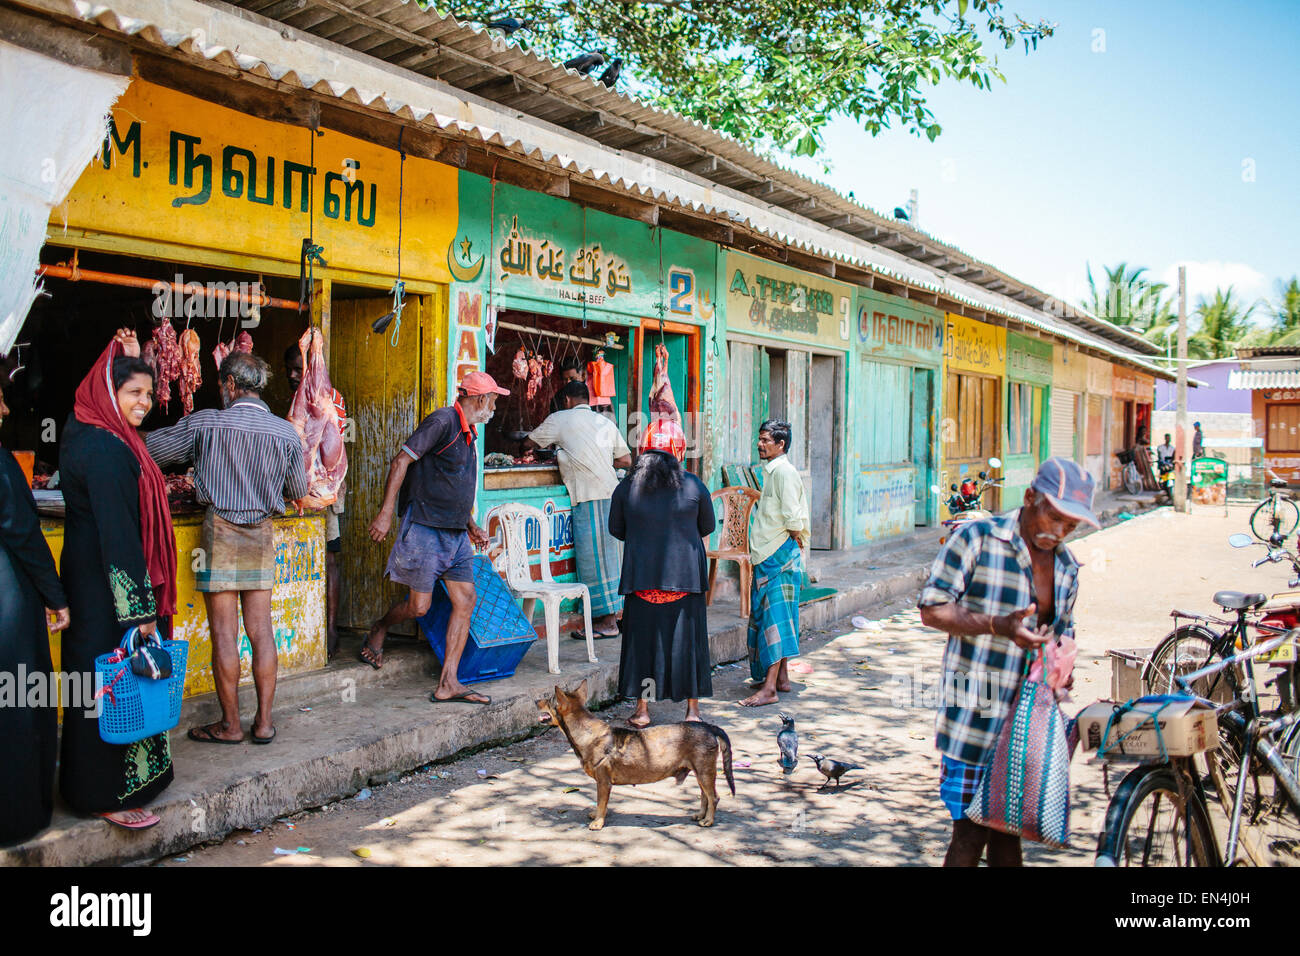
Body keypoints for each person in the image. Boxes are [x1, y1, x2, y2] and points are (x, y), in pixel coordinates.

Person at [918, 456, 1095, 867]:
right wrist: (998, 625)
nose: (1060, 531)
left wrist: (1061, 669)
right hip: (974, 714)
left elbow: (1062, 634)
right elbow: (931, 609)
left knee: (1008, 834)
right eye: (1055, 517)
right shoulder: (977, 538)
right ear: (1030, 497)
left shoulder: (1067, 568)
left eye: (1071, 525)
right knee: (969, 833)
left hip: (1029, 723)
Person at [147, 352, 312, 746]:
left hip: (219, 532)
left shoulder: (207, 422)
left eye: (222, 386)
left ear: (231, 385)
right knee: (261, 632)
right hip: (260, 533)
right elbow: (298, 491)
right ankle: (265, 724)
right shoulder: (285, 432)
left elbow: (151, 451)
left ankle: (231, 725)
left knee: (224, 633)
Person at [59, 330, 178, 830]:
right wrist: (141, 611)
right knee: (108, 684)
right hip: (103, 588)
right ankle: (101, 793)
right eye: (134, 393)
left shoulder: (93, 433)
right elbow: (120, 538)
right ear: (110, 393)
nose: (145, 403)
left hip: (94, 580)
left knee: (114, 683)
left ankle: (120, 783)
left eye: (149, 395)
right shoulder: (104, 449)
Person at [364, 371, 508, 705]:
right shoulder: (443, 421)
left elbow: (451, 487)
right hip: (426, 530)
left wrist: (470, 524)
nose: (495, 406)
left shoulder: (469, 434)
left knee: (466, 599)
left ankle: (449, 682)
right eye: (494, 400)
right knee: (419, 607)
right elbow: (401, 460)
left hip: (455, 534)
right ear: (478, 399)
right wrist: (386, 513)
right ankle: (381, 626)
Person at [0, 368, 70, 845]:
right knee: (20, 705)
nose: (6, 409)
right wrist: (56, 596)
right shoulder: (2, 465)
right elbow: (23, 534)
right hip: (8, 601)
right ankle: (17, 816)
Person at [609, 419, 716, 727]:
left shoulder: (626, 487)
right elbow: (707, 526)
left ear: (642, 450)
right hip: (686, 583)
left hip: (642, 582)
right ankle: (692, 711)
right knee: (690, 648)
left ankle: (643, 710)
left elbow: (616, 529)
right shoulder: (693, 484)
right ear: (678, 450)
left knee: (644, 649)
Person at [524, 380, 632, 638]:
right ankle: (615, 617)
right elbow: (626, 460)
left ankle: (606, 623)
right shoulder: (604, 421)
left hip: (590, 495)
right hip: (612, 493)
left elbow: (527, 443)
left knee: (594, 560)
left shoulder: (560, 418)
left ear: (567, 401)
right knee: (611, 558)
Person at [740, 420, 810, 708]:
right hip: (770, 554)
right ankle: (781, 678)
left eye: (766, 440)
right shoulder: (774, 472)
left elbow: (794, 519)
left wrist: (791, 543)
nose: (760, 444)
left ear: (781, 445)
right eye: (760, 439)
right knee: (773, 617)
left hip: (778, 556)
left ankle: (769, 688)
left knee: (775, 621)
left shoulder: (783, 473)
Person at [285, 342, 346, 659]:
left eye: (299, 368)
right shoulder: (292, 400)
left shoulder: (328, 399)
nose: (294, 375)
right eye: (290, 370)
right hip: (296, 493)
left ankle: (331, 627)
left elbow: (330, 453)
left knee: (329, 557)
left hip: (324, 491)